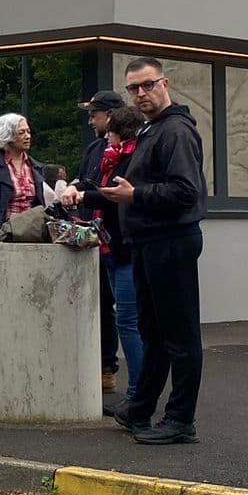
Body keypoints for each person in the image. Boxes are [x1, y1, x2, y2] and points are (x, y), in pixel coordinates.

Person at [102, 57, 206, 446]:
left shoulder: (175, 131)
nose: (140, 93)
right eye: (133, 88)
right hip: (148, 241)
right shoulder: (152, 129)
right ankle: (140, 407)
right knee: (153, 332)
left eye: (147, 85)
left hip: (170, 241)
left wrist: (136, 195)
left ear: (165, 83)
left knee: (178, 335)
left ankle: (181, 419)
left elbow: (186, 192)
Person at [61, 106, 146, 419]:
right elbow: (93, 182)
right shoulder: (111, 155)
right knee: (125, 320)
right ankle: (138, 392)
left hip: (126, 249)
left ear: (117, 132)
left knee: (129, 322)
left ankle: (139, 395)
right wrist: (77, 187)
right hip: (110, 247)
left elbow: (113, 195)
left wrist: (83, 196)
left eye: (108, 131)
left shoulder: (132, 159)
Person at [75, 90, 125, 392]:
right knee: (99, 305)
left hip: (118, 239)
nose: (91, 119)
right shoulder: (94, 148)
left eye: (94, 113)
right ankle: (100, 367)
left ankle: (110, 368)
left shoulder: (133, 147)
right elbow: (86, 180)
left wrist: (84, 193)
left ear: (111, 115)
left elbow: (112, 194)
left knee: (124, 311)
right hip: (91, 238)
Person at [0, 113, 51, 242]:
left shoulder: (35, 167)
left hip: (31, 236)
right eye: (21, 133)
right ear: (7, 136)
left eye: (28, 131)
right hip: (1, 237)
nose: (28, 136)